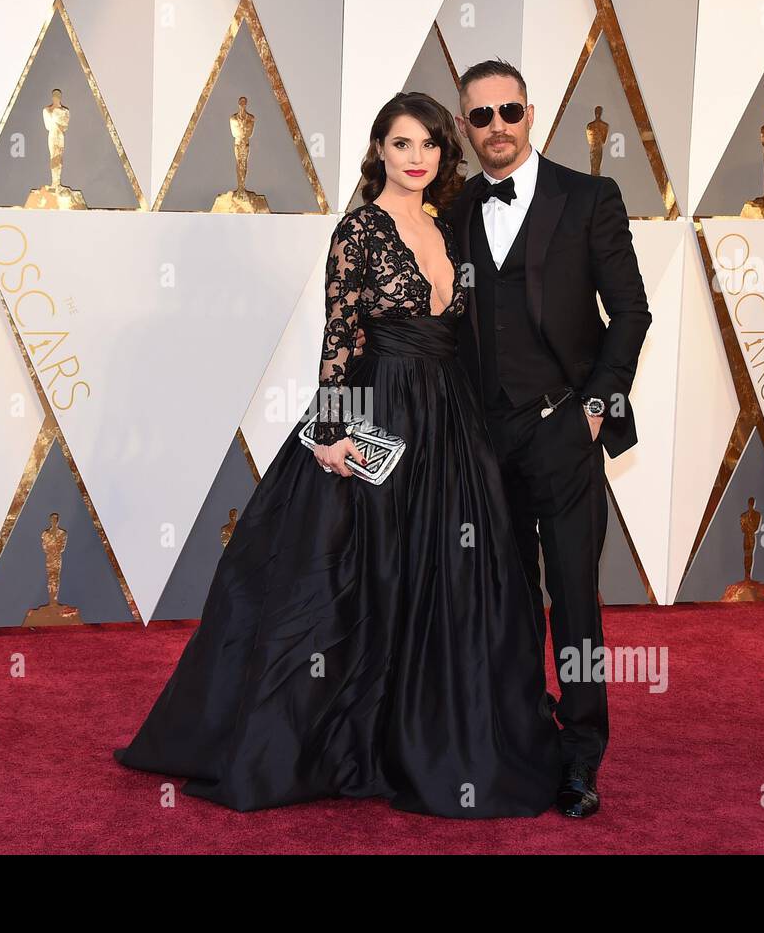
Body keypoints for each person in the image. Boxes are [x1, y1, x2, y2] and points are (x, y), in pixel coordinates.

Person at [113, 91, 564, 818]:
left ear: (445, 155)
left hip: (450, 423)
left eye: (429, 145)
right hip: (378, 407)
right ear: (378, 151)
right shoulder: (359, 230)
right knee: (352, 577)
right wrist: (329, 431)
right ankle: (335, 739)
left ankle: (433, 735)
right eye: (401, 144)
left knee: (457, 575)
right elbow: (341, 334)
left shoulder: (451, 227)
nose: (417, 158)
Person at [442, 59, 652, 818]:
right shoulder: (456, 206)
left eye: (509, 111)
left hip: (564, 429)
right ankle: (519, 738)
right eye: (480, 116)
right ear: (465, 130)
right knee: (503, 599)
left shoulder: (591, 196)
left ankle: (581, 750)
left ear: (531, 114)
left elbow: (631, 312)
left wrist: (595, 408)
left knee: (574, 601)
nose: (497, 126)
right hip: (482, 440)